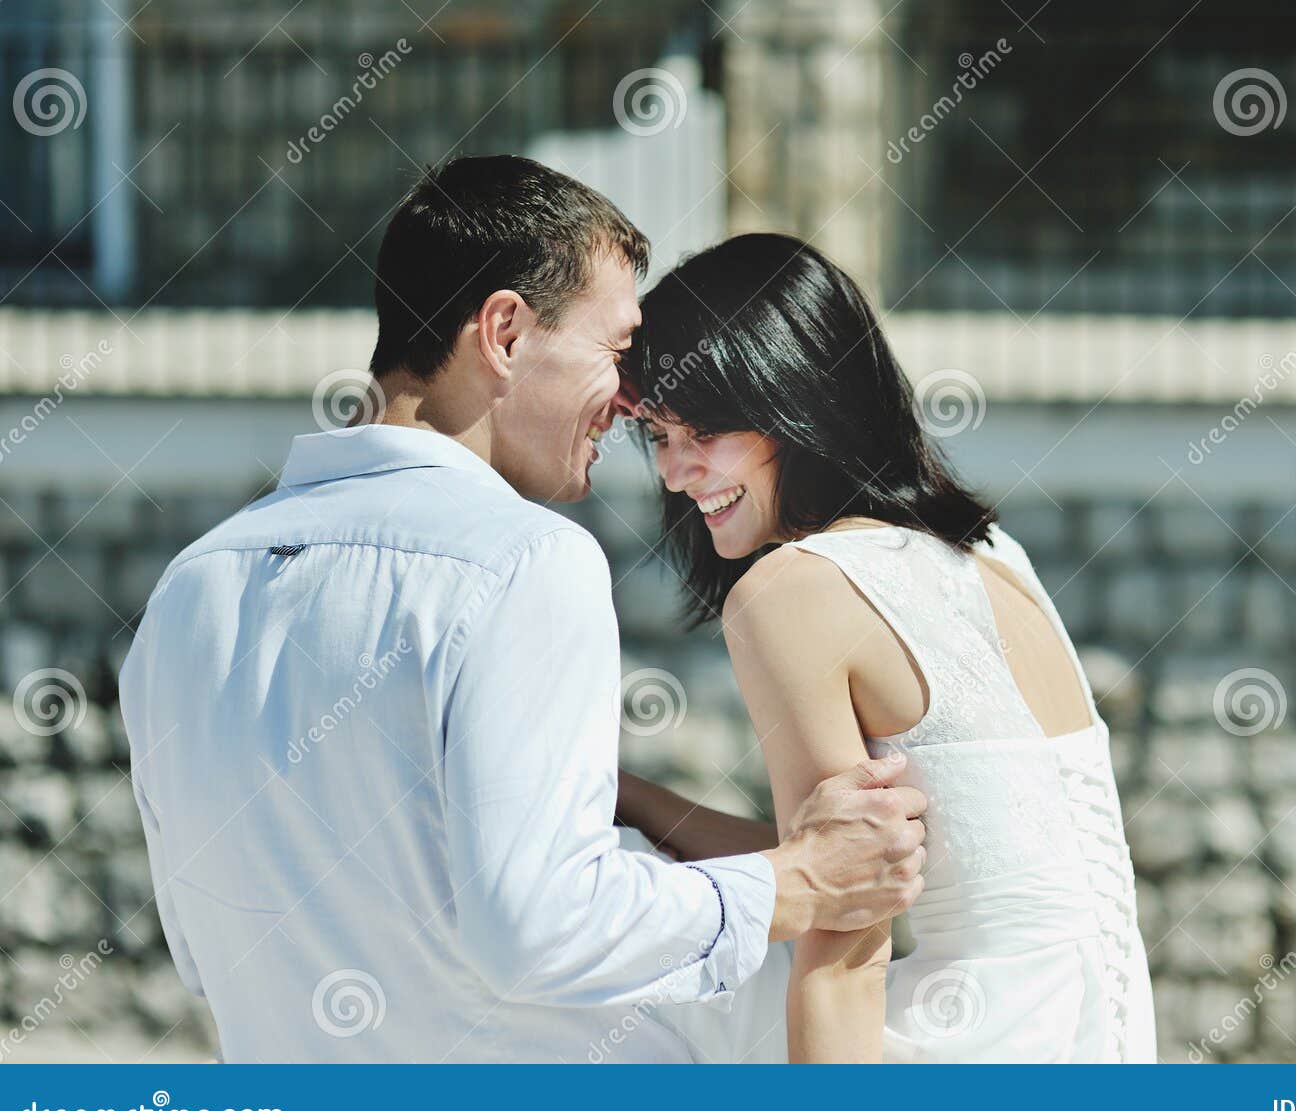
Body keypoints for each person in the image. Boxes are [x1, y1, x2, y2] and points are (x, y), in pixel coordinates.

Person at [118, 158, 927, 1063]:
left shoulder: (188, 589)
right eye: (616, 352)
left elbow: (196, 948)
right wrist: (798, 879)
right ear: (503, 331)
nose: (631, 403)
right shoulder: (524, 561)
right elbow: (540, 926)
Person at [617, 233, 1158, 1062]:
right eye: (659, 435)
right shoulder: (985, 555)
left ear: (793, 406)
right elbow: (820, 866)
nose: (675, 473)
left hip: (968, 1060)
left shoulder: (792, 590)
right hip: (1101, 1053)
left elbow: (845, 951)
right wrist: (636, 800)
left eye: (705, 432)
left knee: (602, 953)